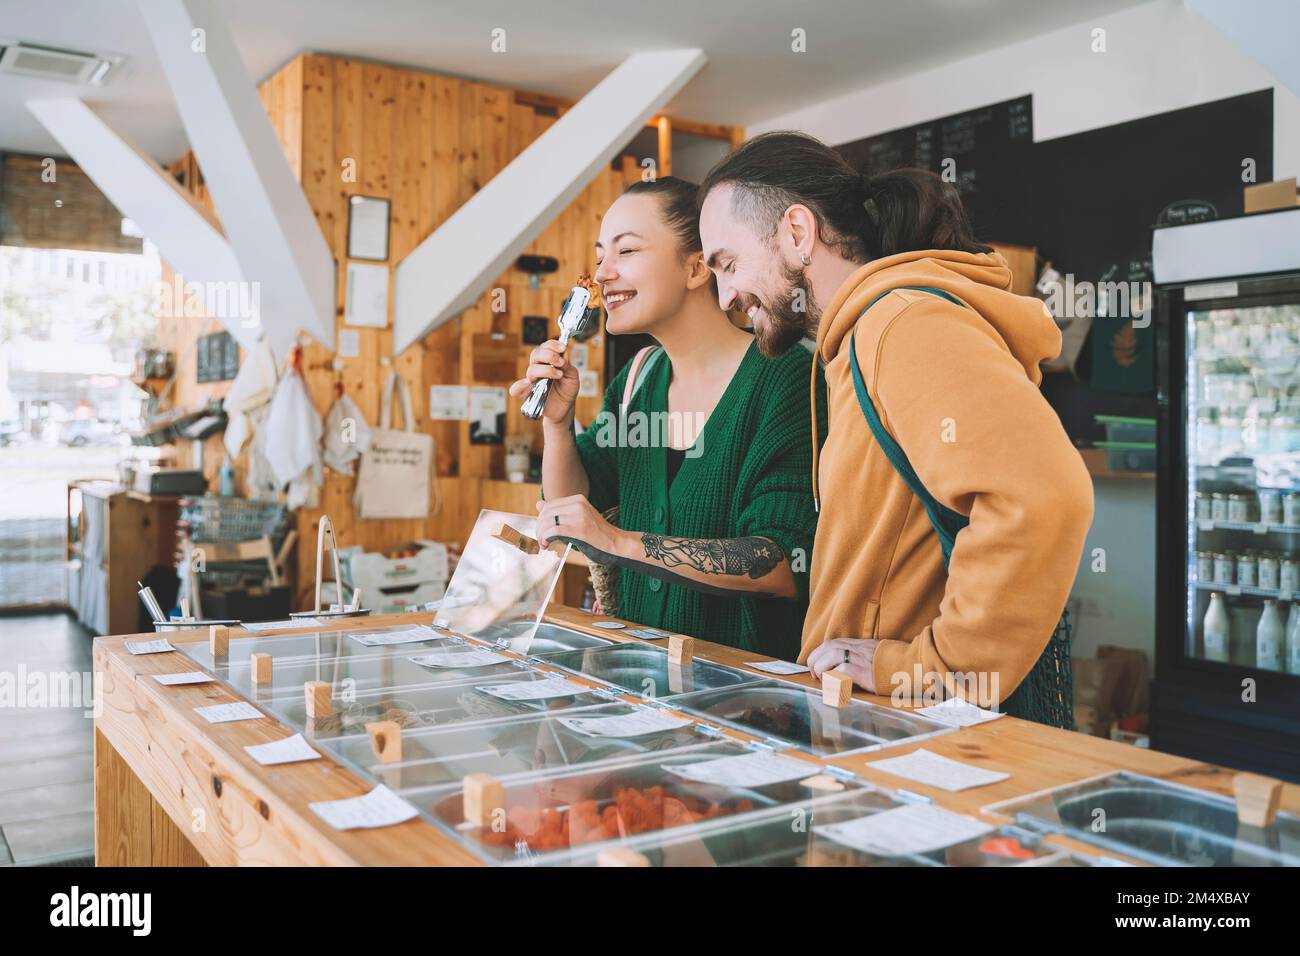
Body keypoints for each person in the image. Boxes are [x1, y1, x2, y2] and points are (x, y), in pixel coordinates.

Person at [697, 132, 1093, 724]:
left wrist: (935, 668)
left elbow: (1043, 494)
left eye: (728, 264)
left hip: (917, 734)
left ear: (798, 234)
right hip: (884, 729)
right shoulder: (860, 338)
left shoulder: (902, 324)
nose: (726, 294)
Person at [510, 176, 824, 659]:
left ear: (698, 267)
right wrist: (556, 425)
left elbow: (780, 564)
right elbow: (570, 509)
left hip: (744, 698)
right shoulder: (637, 381)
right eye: (599, 256)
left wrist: (619, 541)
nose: (602, 274)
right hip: (636, 681)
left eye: (626, 251)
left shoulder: (785, 379)